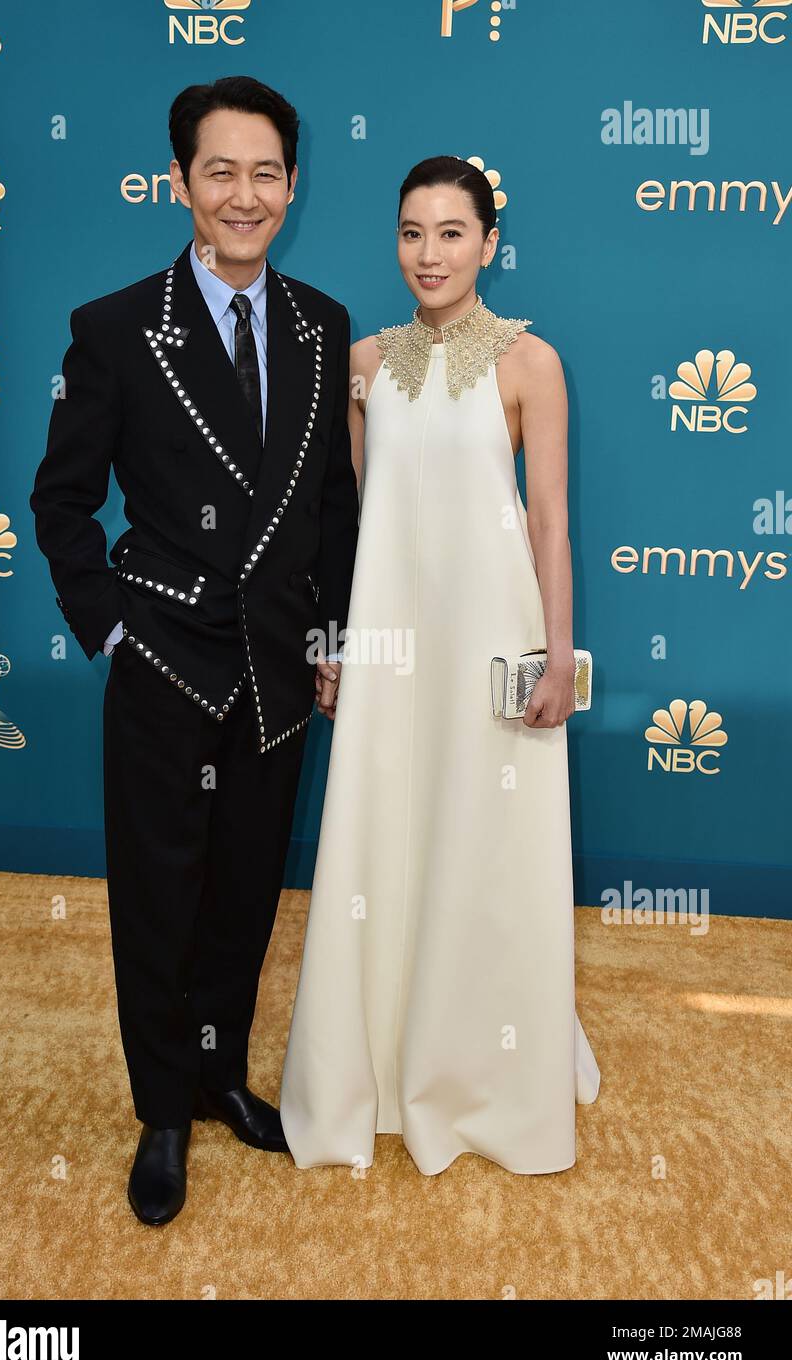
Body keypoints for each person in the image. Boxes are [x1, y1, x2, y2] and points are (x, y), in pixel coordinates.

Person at [30, 76, 358, 1225]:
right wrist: (113, 624)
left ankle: (220, 1072)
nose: (244, 194)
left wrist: (330, 636)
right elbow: (61, 502)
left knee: (246, 888)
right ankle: (162, 1107)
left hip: (274, 666)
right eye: (220, 171)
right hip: (166, 659)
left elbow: (332, 504)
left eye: (266, 172)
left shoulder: (322, 326)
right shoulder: (116, 328)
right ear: (180, 182)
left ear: (293, 185)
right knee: (159, 892)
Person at [280, 156, 600, 1177]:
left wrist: (555, 654)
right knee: (384, 839)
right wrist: (335, 644)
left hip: (491, 642)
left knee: (485, 842)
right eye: (413, 232)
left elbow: (548, 521)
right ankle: (374, 1060)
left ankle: (486, 1071)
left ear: (489, 243)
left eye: (452, 232)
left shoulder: (530, 363)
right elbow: (351, 527)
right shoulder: (365, 362)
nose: (430, 253)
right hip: (389, 646)